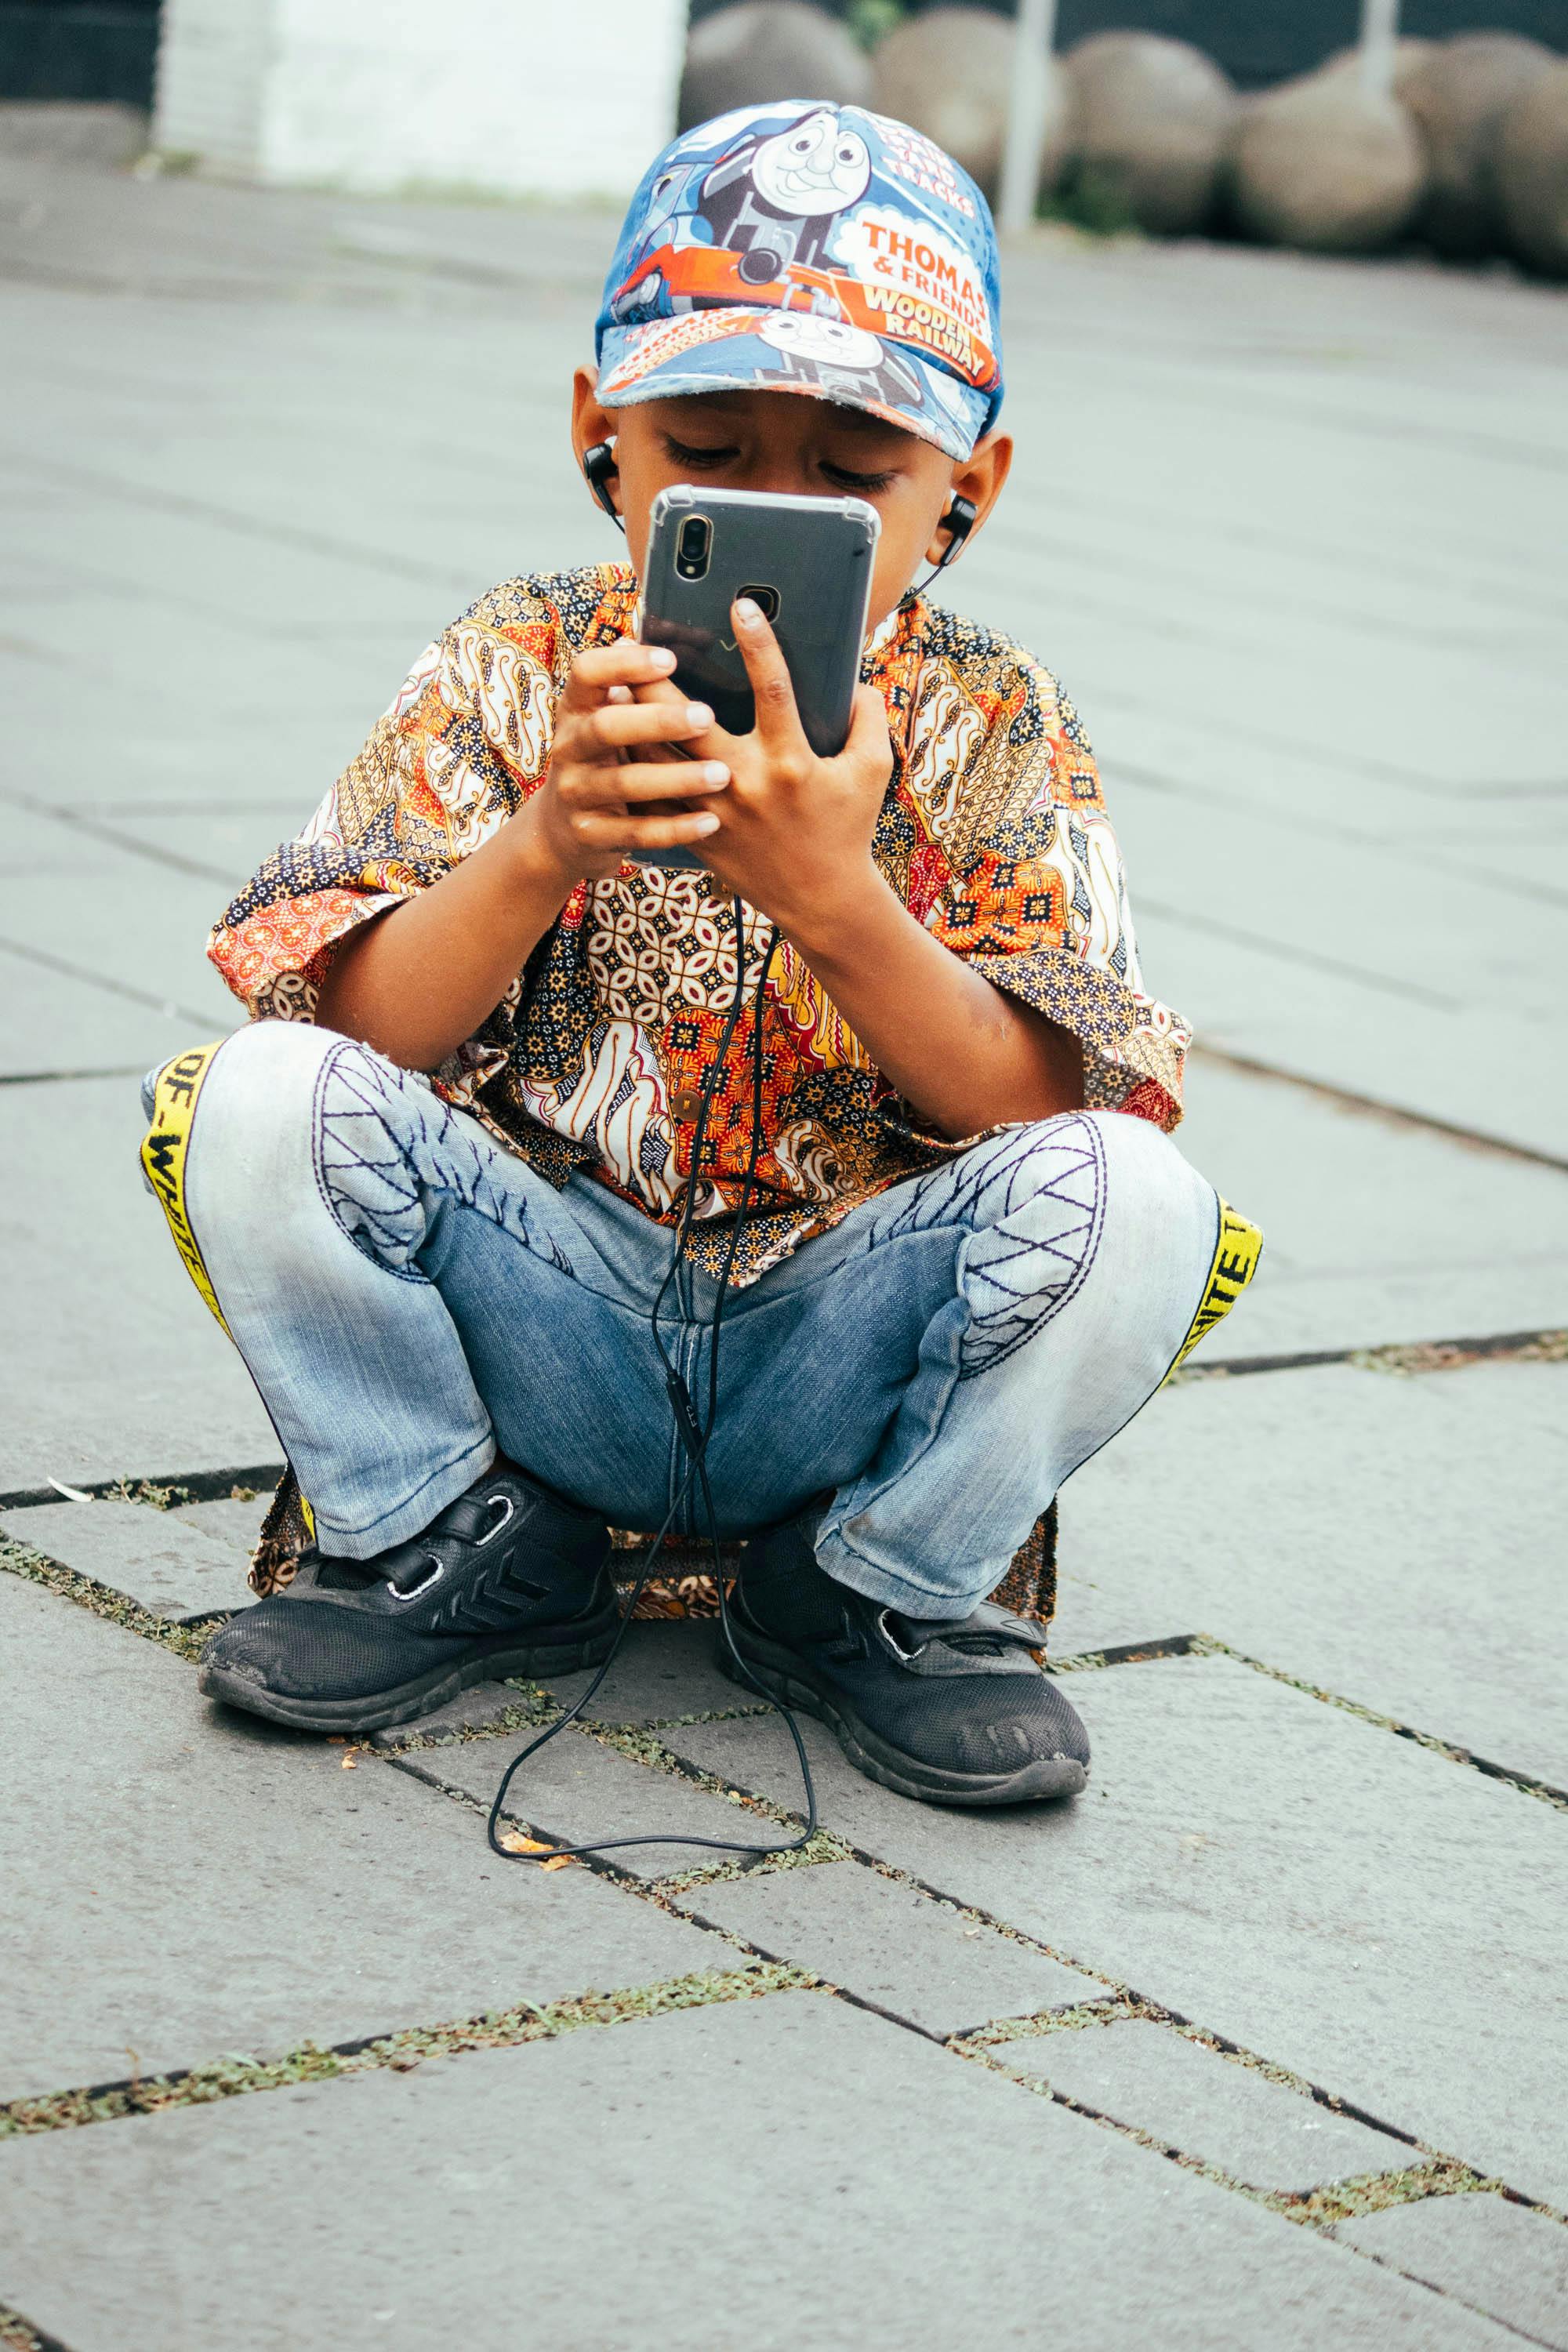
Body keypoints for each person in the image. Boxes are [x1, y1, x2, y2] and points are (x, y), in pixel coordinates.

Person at [141, 101, 1260, 1809]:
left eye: (852, 474)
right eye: (712, 451)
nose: (775, 505)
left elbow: (1043, 1095)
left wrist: (838, 900)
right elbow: (351, 1018)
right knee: (253, 1093)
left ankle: (876, 1587)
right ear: (604, 434)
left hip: (841, 1344)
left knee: (1142, 1198)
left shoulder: (993, 717)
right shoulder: (516, 657)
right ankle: (449, 1538)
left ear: (970, 486)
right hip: (542, 1322)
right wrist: (543, 847)